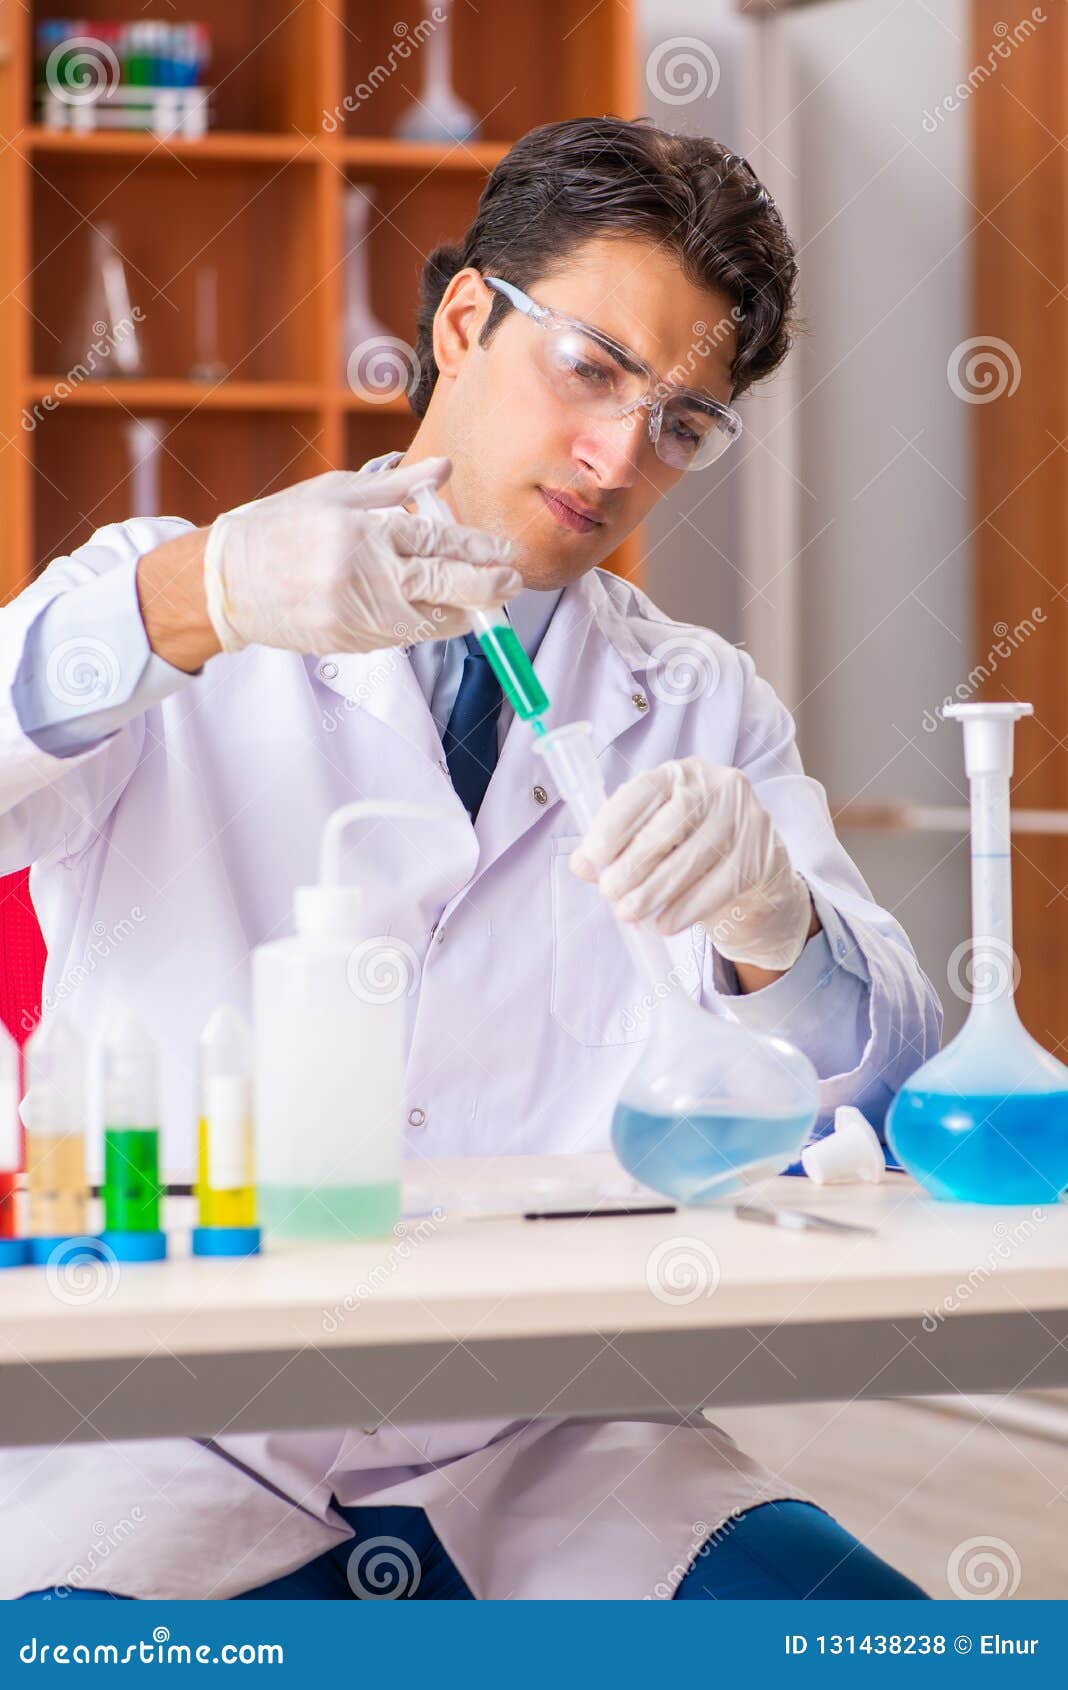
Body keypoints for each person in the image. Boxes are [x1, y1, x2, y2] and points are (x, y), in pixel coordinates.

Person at [0, 116, 939, 1601]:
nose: (621, 454)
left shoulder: (698, 703)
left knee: (871, 1641)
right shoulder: (171, 600)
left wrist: (780, 932)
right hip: (176, 1434)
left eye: (682, 425)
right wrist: (203, 596)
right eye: (593, 370)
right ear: (462, 320)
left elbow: (892, 1078)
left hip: (559, 1435)